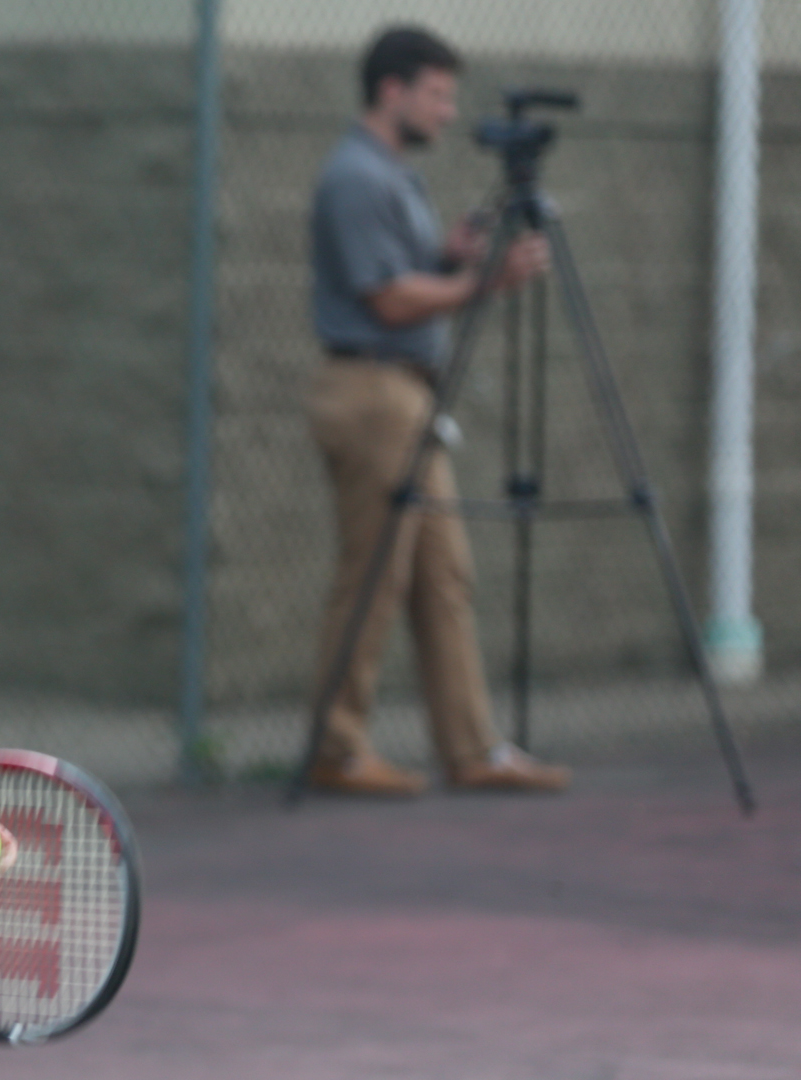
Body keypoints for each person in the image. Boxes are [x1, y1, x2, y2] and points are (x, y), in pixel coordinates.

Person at [304, 27, 571, 797]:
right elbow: (386, 298)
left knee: (444, 576)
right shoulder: (357, 175)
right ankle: (337, 749)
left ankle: (471, 748)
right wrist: (487, 280)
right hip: (371, 393)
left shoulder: (394, 174)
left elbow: (411, 276)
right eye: (437, 94)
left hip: (409, 395)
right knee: (373, 576)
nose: (449, 113)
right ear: (393, 90)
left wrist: (453, 256)